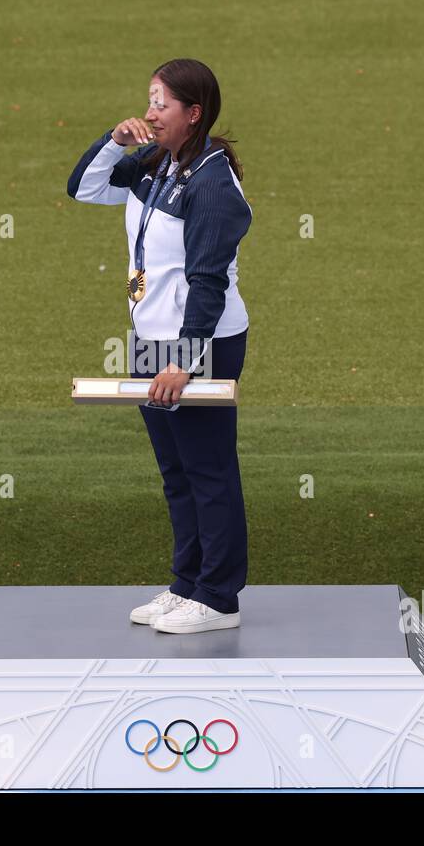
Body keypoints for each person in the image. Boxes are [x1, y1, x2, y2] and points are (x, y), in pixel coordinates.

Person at [68, 58, 252, 634]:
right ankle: (186, 585)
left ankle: (219, 598)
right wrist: (112, 139)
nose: (149, 112)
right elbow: (83, 188)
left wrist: (184, 361)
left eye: (161, 104)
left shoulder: (214, 184)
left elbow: (207, 281)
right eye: (148, 100)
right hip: (151, 337)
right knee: (175, 469)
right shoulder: (157, 161)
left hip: (200, 344)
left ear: (193, 114)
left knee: (208, 467)